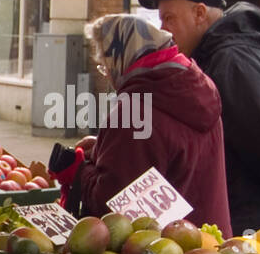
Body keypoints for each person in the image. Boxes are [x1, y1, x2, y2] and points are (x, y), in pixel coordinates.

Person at [138, 0, 260, 233]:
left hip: (248, 216)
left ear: (200, 14)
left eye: (170, 19)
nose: (164, 31)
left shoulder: (230, 60)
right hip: (242, 209)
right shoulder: (221, 54)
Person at [57, 14, 232, 237]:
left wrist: (79, 170)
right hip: (213, 247)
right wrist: (104, 148)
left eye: (105, 65)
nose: (108, 75)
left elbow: (112, 205)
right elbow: (169, 149)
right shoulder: (198, 89)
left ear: (121, 59)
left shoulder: (134, 109)